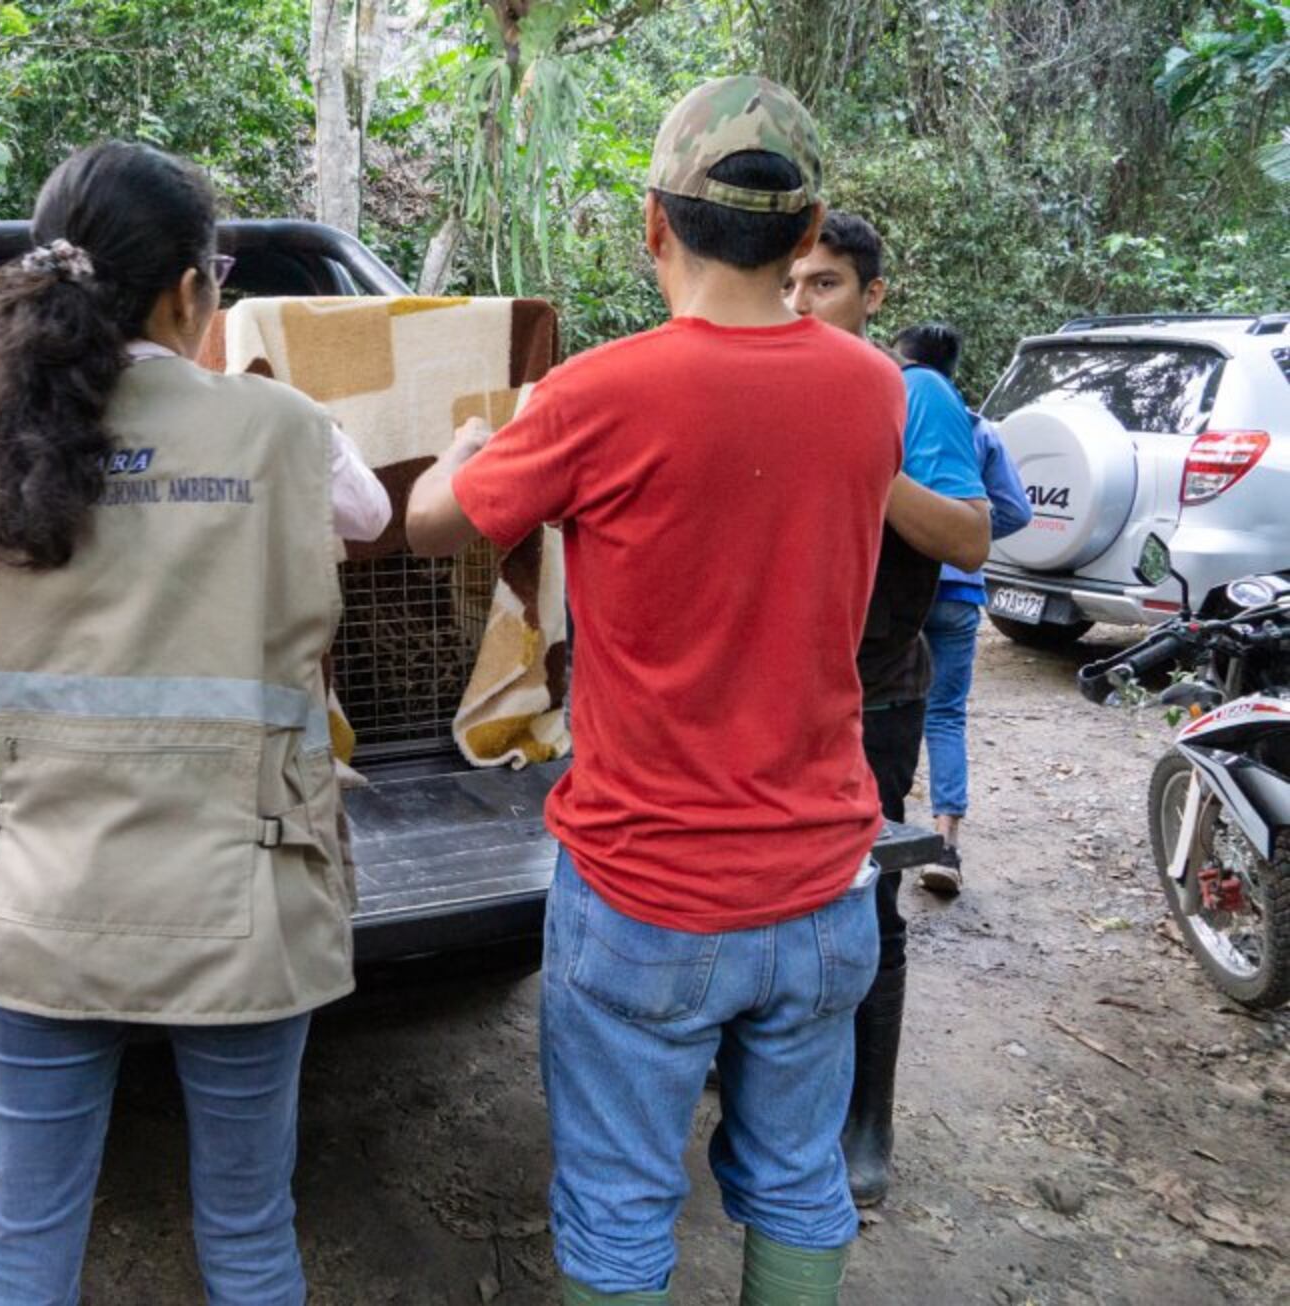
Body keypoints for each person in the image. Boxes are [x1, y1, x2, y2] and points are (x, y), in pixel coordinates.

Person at [406, 77, 903, 1304]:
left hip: (646, 889)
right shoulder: (874, 389)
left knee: (622, 1202)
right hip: (825, 881)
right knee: (798, 1177)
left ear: (652, 225)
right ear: (806, 233)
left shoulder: (597, 394)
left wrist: (468, 452)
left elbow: (431, 528)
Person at [0, 141, 390, 1304]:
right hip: (242, 906)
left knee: (24, 1248)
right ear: (193, 289)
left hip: (40, 901)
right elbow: (370, 514)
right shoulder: (279, 429)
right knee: (247, 1233)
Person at [785, 217, 991, 1209]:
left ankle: (868, 1120)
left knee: (865, 897)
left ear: (872, 297)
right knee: (773, 890)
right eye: (789, 284)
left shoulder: (913, 394)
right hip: (779, 691)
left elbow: (968, 534)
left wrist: (873, 471)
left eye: (823, 284)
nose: (800, 302)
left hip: (876, 693)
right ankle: (771, 1086)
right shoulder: (768, 384)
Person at [891, 322, 1032, 895]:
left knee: (878, 709)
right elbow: (1015, 510)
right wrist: (965, 541)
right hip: (960, 592)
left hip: (901, 590)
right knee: (944, 715)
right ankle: (945, 847)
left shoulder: (899, 411)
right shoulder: (979, 429)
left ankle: (876, 837)